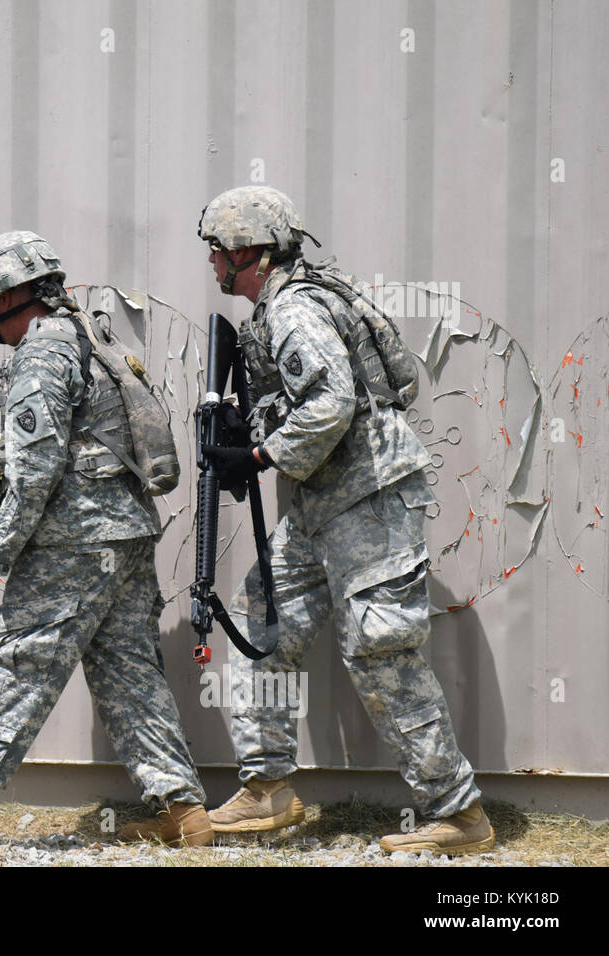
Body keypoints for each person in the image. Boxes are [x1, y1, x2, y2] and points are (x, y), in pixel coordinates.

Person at [0, 231, 211, 848]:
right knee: (129, 671)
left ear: (12, 296)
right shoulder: (91, 339)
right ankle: (184, 813)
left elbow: (36, 470)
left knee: (19, 662)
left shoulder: (41, 355)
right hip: (127, 536)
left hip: (73, 541)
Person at [196, 185, 493, 855]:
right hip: (324, 503)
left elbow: (330, 405)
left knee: (379, 648)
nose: (211, 262)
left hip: (369, 496)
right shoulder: (285, 305)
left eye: (217, 250)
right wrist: (256, 433)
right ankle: (267, 789)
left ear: (249, 252)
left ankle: (460, 814)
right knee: (262, 626)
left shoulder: (296, 311)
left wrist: (261, 452)